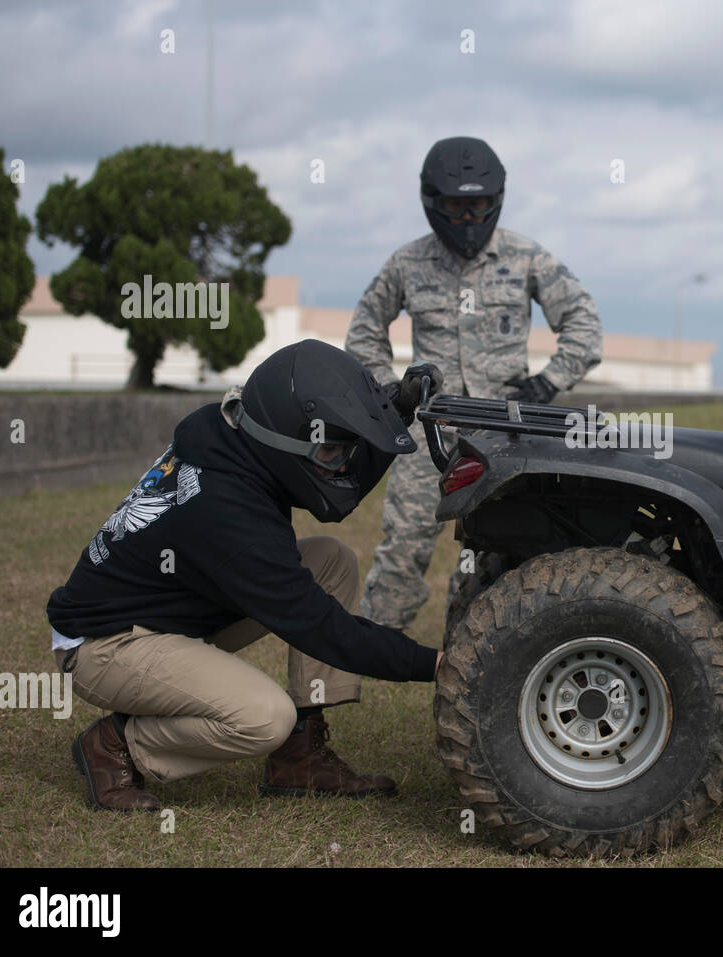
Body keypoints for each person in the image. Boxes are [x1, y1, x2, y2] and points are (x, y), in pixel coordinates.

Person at [48, 340, 445, 810]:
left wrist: (395, 412)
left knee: (330, 560)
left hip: (170, 611)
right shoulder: (227, 513)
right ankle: (116, 745)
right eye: (333, 452)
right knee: (262, 717)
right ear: (285, 440)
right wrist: (435, 665)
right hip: (104, 645)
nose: (342, 465)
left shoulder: (234, 430)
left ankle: (298, 757)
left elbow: (331, 495)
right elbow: (325, 629)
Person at [346, 136, 602, 634]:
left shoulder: (526, 257)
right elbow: (363, 332)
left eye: (478, 206)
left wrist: (549, 383)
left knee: (501, 552)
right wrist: (391, 389)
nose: (467, 218)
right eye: (456, 206)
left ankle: (476, 660)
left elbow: (584, 322)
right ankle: (361, 662)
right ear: (433, 203)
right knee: (402, 552)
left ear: (496, 201)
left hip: (505, 433)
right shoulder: (407, 264)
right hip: (426, 433)